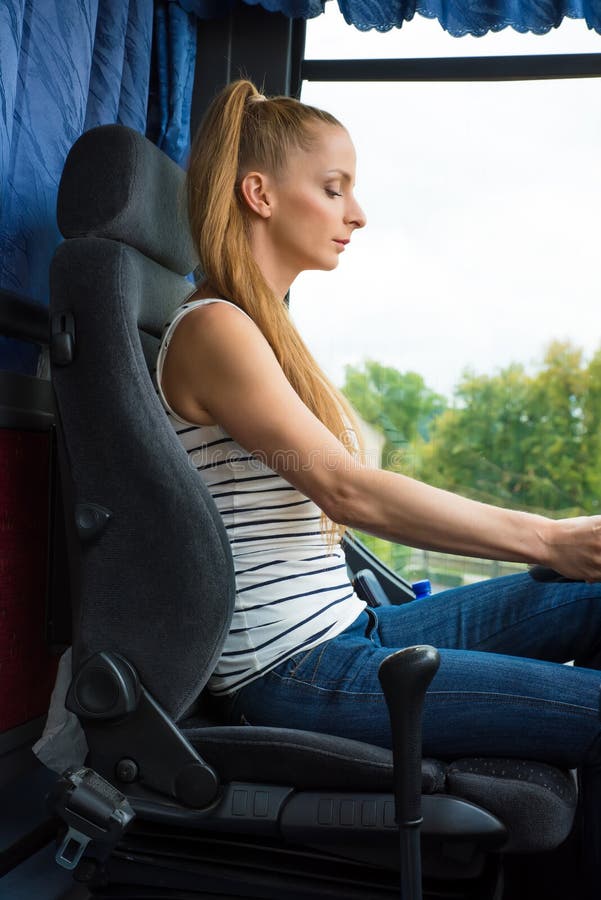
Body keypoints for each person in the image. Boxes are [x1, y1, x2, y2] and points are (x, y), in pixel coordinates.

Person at [156, 79, 601, 885]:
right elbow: (347, 491)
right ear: (259, 194)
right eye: (334, 189)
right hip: (295, 673)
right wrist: (547, 538)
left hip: (352, 631)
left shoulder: (263, 331)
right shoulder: (215, 328)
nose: (355, 213)